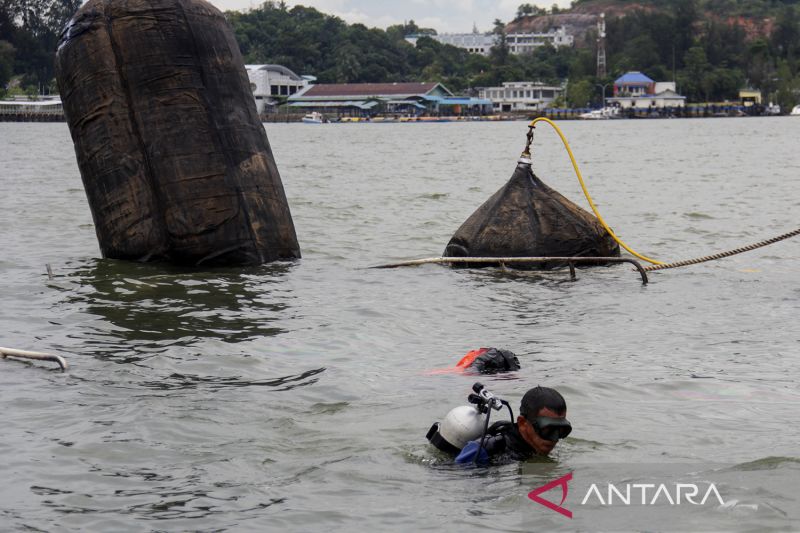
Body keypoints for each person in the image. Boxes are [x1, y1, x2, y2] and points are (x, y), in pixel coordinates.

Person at [455, 386, 571, 465]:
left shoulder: (535, 447)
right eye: (548, 429)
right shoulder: (484, 450)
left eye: (561, 430)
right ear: (522, 423)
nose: (555, 439)